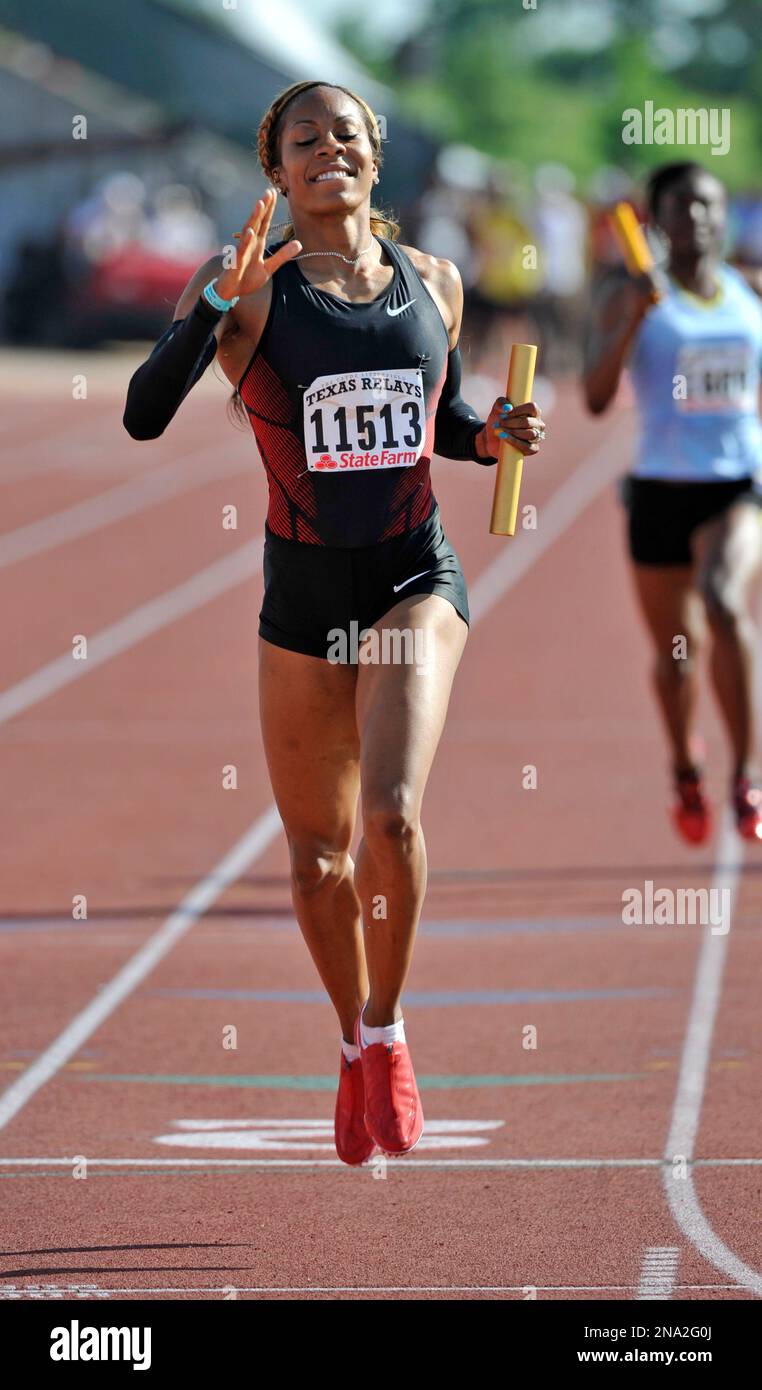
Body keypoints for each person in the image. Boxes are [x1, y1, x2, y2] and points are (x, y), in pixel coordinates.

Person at [124, 80, 546, 1163]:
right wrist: (214, 303)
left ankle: (389, 1030)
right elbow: (141, 413)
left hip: (415, 574)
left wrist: (492, 435)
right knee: (316, 858)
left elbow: (441, 423)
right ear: (277, 169)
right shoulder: (251, 292)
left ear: (375, 154)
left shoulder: (435, 282)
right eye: (303, 140)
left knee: (390, 817)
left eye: (345, 135)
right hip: (302, 596)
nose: (327, 152)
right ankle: (351, 1046)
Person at [583, 161, 762, 844]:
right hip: (659, 489)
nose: (696, 219)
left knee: (723, 599)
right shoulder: (627, 293)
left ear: (725, 217)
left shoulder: (748, 292)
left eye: (708, 206)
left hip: (738, 487)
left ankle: (746, 776)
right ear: (655, 220)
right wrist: (633, 316)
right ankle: (687, 765)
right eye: (680, 207)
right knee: (677, 656)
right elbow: (597, 399)